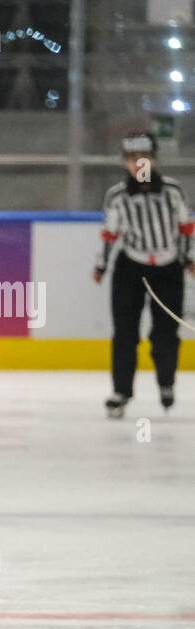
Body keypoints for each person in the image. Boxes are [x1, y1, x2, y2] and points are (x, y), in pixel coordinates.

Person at [93, 130, 191, 417]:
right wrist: (102, 265)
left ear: (154, 159)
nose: (138, 164)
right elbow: (110, 234)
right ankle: (121, 391)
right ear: (125, 162)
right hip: (131, 268)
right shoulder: (117, 195)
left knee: (165, 333)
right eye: (132, 159)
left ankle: (166, 383)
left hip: (168, 267)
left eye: (144, 158)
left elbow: (186, 228)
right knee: (124, 333)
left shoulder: (172, 191)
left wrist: (189, 259)